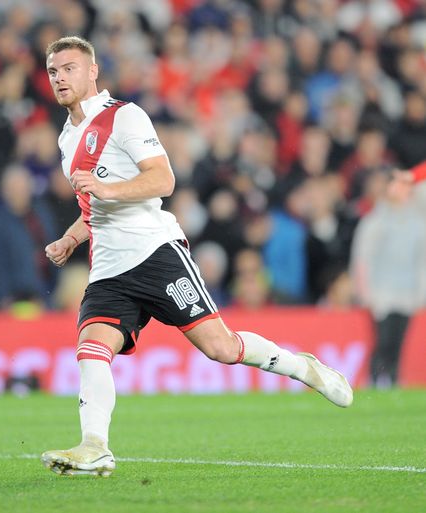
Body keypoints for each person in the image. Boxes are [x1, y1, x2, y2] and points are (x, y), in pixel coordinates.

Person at [40, 36, 353, 477]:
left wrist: (108, 188)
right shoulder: (67, 136)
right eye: (54, 71)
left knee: (221, 348)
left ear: (92, 72)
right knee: (92, 349)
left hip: (155, 252)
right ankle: (95, 446)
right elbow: (92, 206)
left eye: (69, 68)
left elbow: (163, 180)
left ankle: (303, 367)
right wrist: (71, 239)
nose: (60, 78)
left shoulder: (124, 117)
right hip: (108, 268)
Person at [351, 167, 426, 388]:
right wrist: (366, 294)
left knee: (397, 343)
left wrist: (421, 293)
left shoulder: (418, 223)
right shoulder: (375, 221)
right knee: (382, 342)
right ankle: (374, 382)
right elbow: (363, 259)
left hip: (407, 292)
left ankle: (392, 381)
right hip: (381, 293)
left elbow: (422, 261)